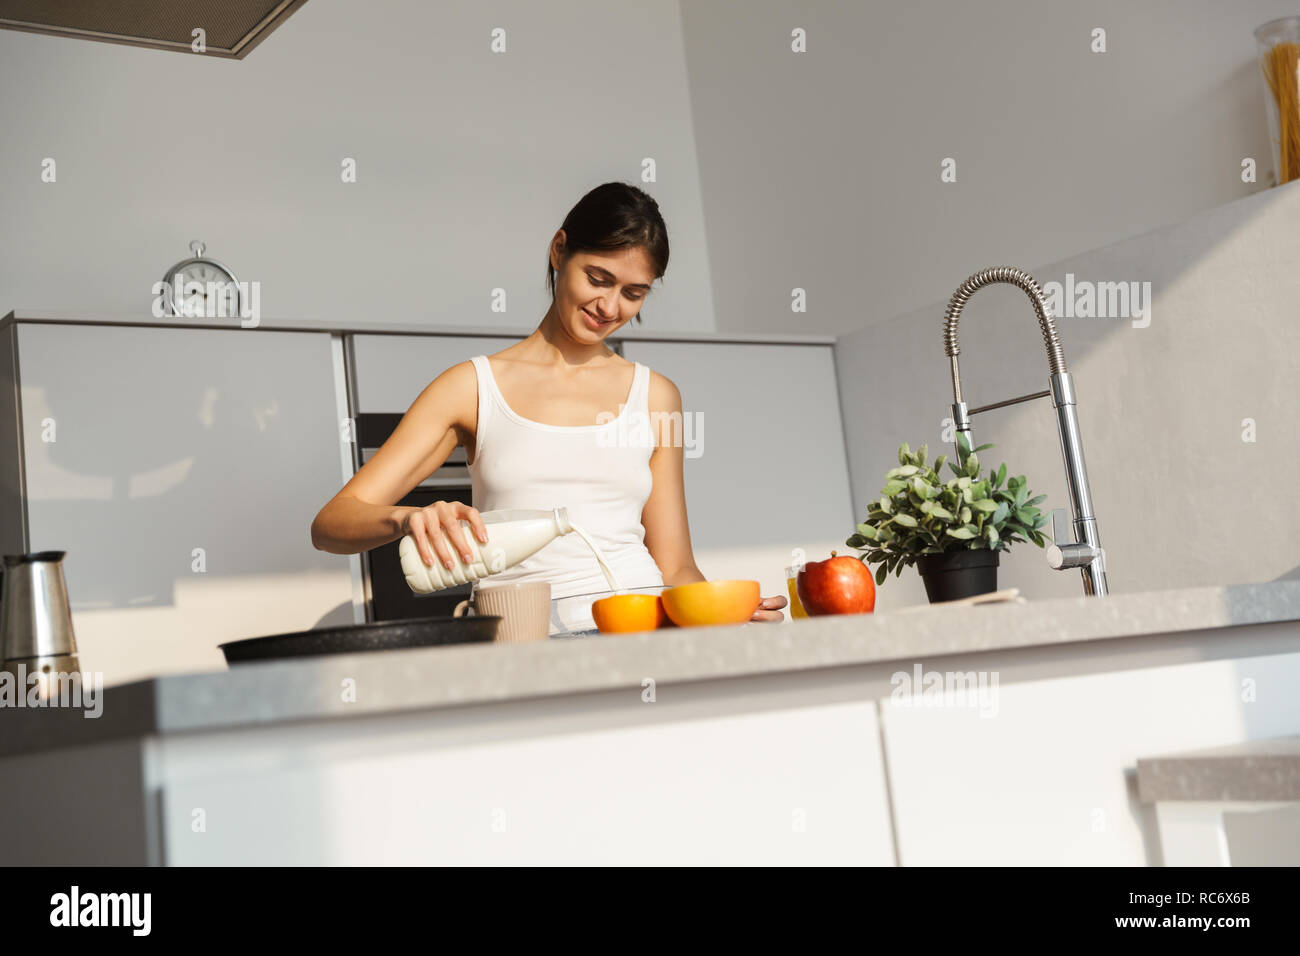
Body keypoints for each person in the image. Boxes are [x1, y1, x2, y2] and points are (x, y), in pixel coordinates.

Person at [311, 181, 787, 624]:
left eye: (633, 293)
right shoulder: (472, 388)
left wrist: (723, 614)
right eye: (598, 278)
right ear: (560, 250)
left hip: (640, 634)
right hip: (524, 638)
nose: (610, 307)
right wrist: (410, 517)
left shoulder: (657, 395)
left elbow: (676, 565)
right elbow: (332, 523)